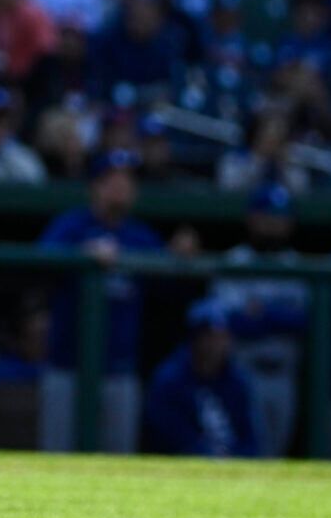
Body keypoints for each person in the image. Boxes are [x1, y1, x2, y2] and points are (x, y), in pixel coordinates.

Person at [37, 151, 192, 453]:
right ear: (96, 186)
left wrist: (179, 259)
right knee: (56, 459)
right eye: (113, 180)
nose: (122, 187)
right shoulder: (71, 226)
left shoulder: (141, 236)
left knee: (117, 461)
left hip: (119, 370)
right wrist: (83, 254)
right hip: (67, 366)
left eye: (128, 181)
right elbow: (40, 263)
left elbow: (171, 288)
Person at [211, 183, 307, 457]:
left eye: (281, 217)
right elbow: (230, 321)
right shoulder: (234, 262)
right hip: (243, 371)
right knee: (245, 452)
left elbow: (306, 321)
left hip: (284, 375)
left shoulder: (298, 265)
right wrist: (277, 317)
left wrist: (264, 314)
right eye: (268, 217)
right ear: (253, 219)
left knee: (277, 454)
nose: (275, 224)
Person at [143, 299, 260, 458]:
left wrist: (236, 458)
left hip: (232, 465)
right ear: (195, 338)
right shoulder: (170, 379)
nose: (217, 344)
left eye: (222, 336)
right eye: (210, 336)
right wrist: (212, 456)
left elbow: (251, 440)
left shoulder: (237, 380)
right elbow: (171, 439)